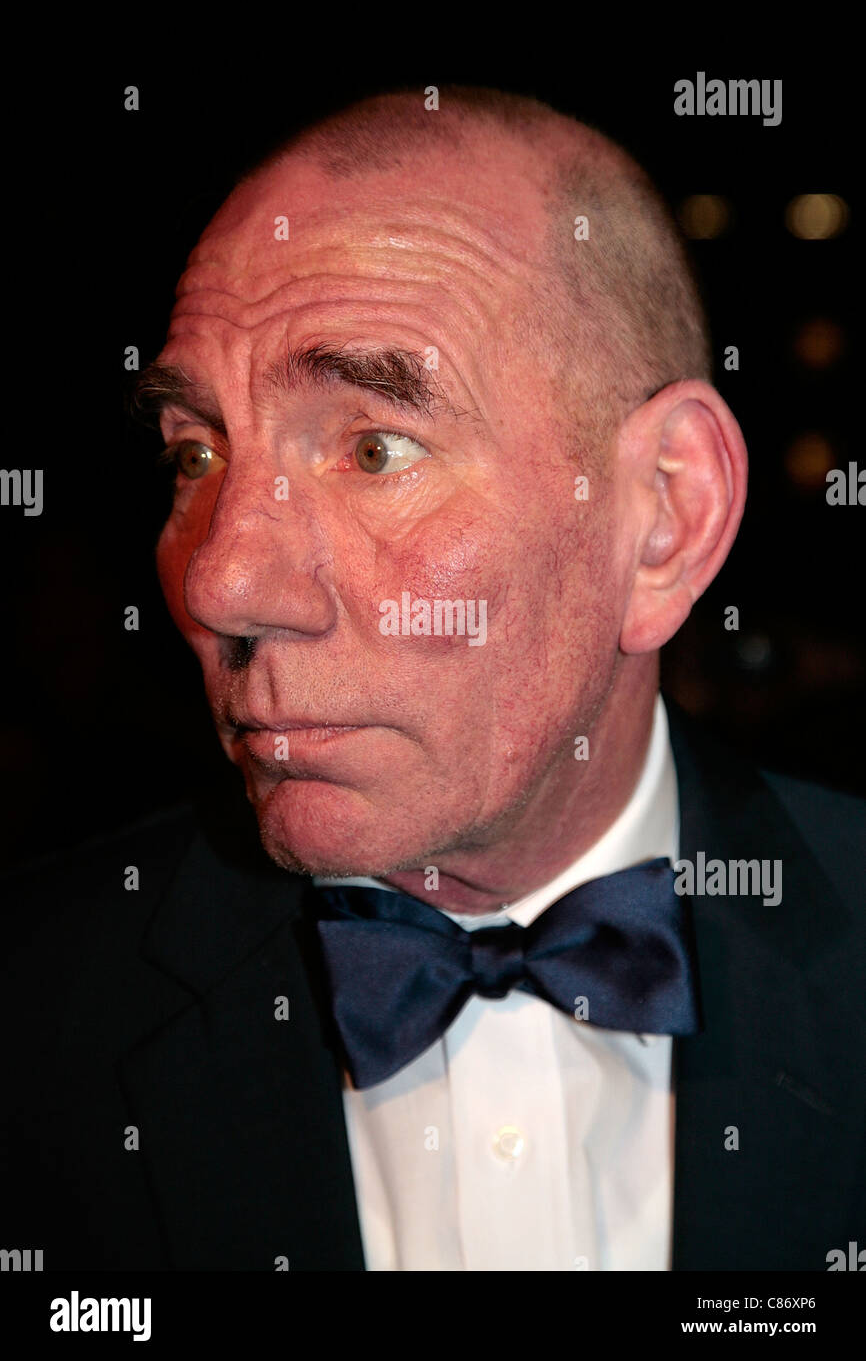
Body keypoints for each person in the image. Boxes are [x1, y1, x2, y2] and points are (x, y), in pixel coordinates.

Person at [2, 87, 863, 1273]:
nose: (220, 582)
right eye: (194, 454)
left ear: (663, 517)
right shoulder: (35, 1021)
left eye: (373, 446)